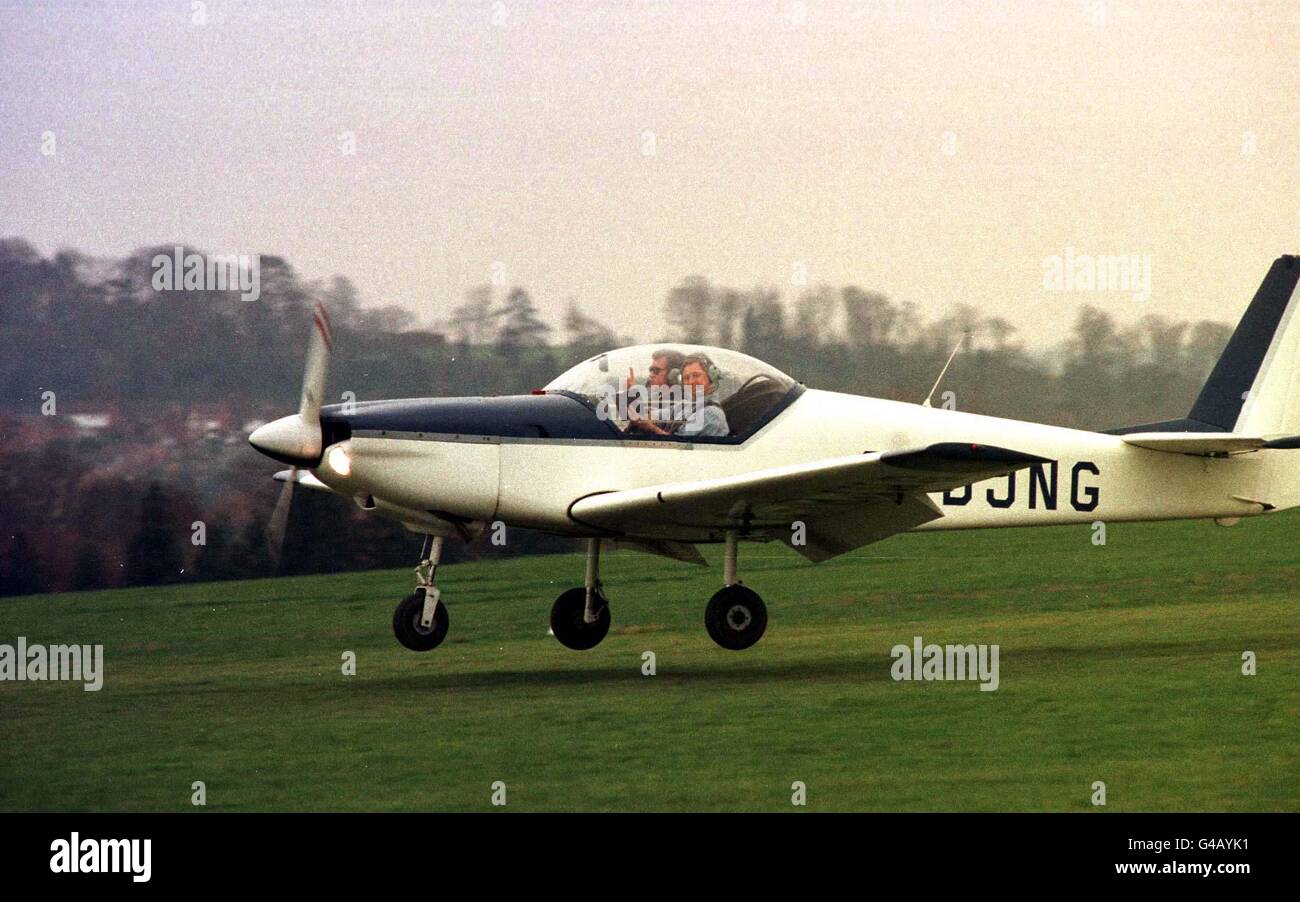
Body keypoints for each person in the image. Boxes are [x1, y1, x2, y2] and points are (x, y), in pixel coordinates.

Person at [628, 353, 729, 437]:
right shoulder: (686, 405)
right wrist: (633, 397)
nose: (691, 382)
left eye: (696, 375)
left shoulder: (711, 414)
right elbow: (653, 415)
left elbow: (679, 447)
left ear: (711, 377)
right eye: (686, 378)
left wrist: (651, 428)